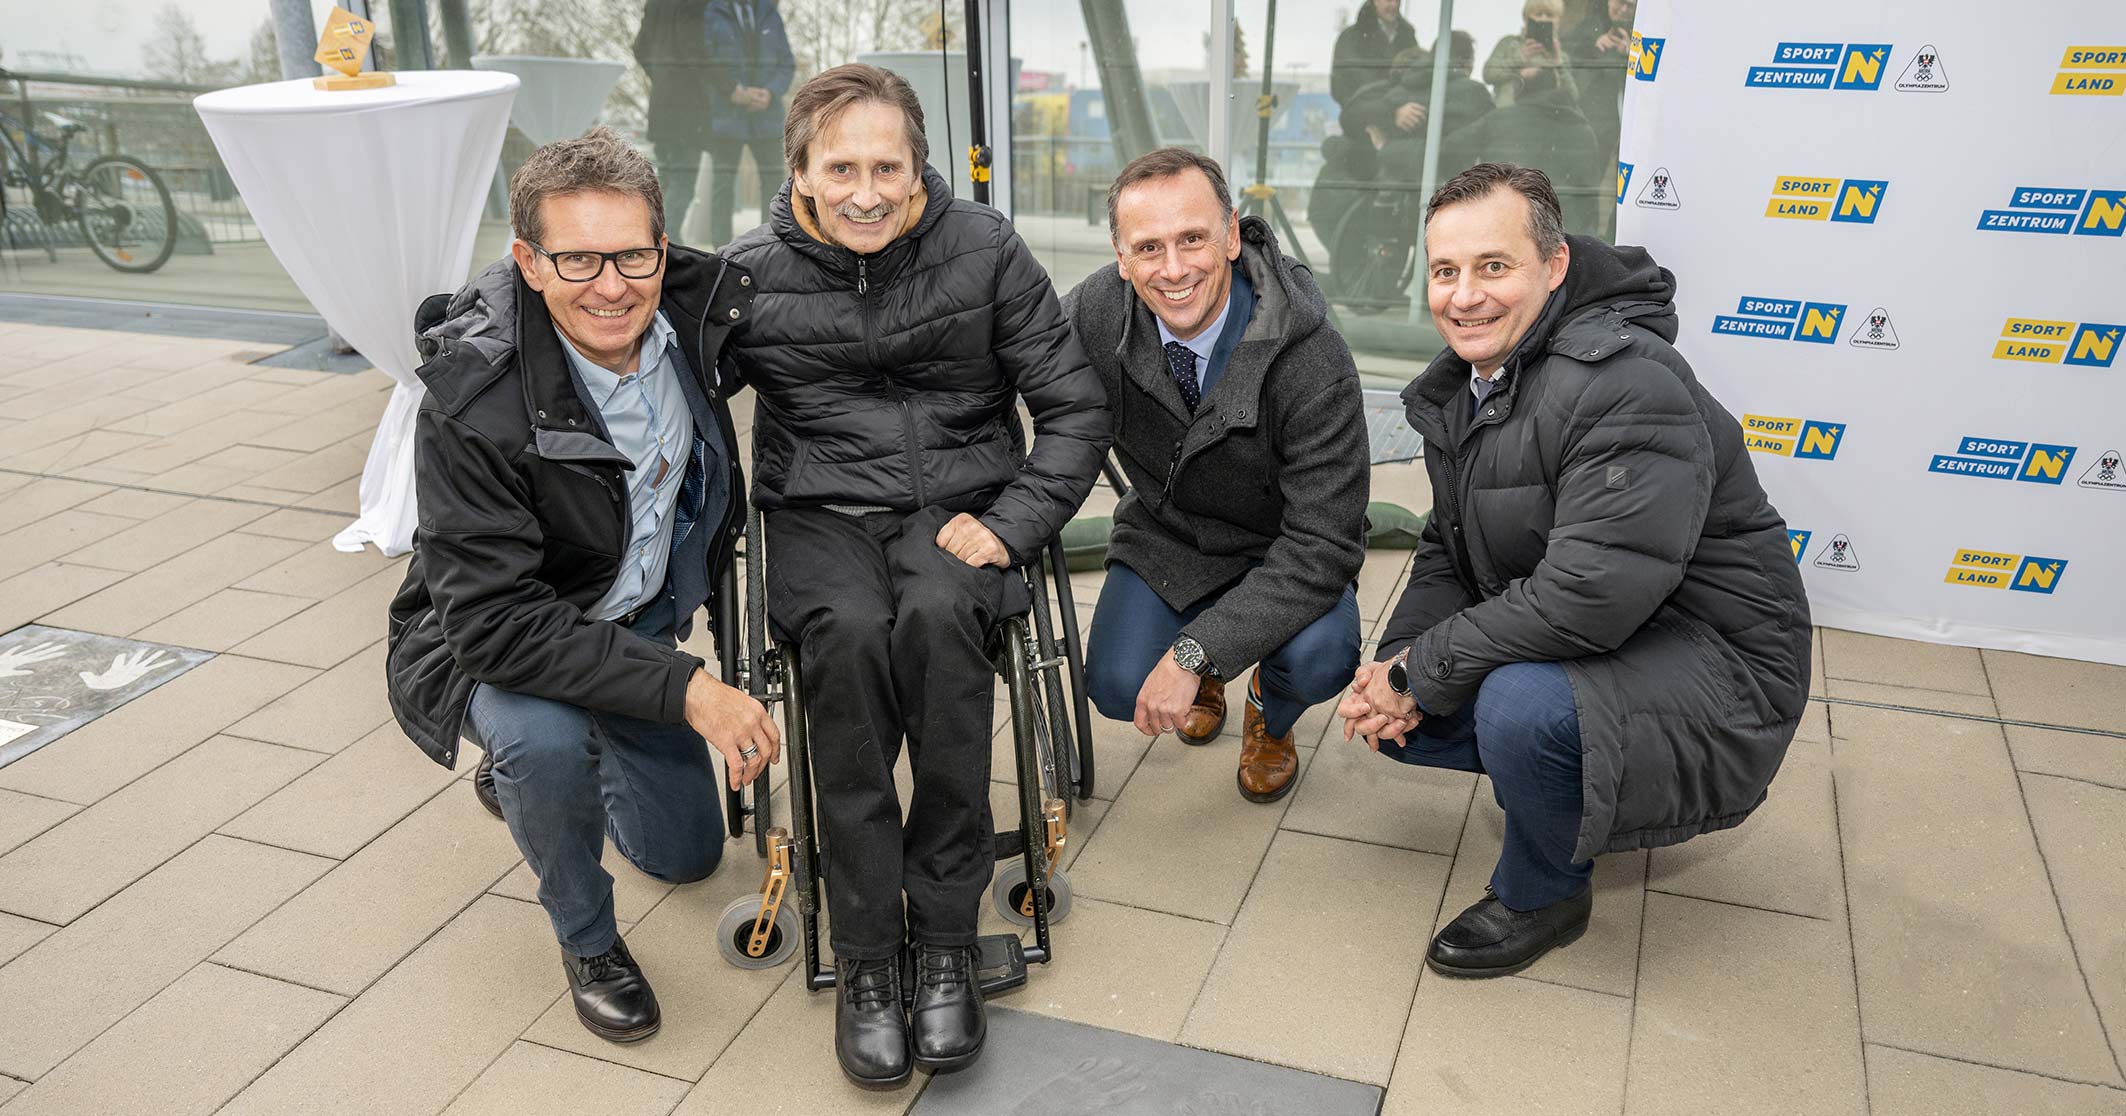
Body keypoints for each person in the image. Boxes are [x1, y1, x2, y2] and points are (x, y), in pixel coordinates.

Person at [719, 63, 1110, 1089]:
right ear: (798, 170)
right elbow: (642, 353)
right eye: (839, 166)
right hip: (818, 515)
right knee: (843, 646)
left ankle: (941, 937)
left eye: (885, 165)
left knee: (940, 624)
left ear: (917, 164)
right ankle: (863, 957)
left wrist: (1014, 521)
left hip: (958, 510)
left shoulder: (982, 247)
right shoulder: (749, 273)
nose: (864, 190)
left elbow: (1073, 408)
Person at [1340, 163, 1810, 978]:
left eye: (1494, 267)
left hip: (1720, 664)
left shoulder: (1625, 385)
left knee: (1519, 707)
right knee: (1417, 717)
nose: (1464, 295)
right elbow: (1447, 545)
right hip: (1620, 628)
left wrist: (1425, 670)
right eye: (1446, 271)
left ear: (1554, 267)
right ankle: (1562, 782)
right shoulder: (1476, 381)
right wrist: (1398, 663)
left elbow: (1590, 595)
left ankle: (1547, 890)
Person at [385, 128, 781, 1043]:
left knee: (685, 857)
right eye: (576, 259)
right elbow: (494, 625)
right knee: (543, 741)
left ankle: (548, 775)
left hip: (629, 628)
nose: (613, 285)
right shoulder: (471, 403)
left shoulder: (695, 322)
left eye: (634, 254)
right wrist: (690, 687)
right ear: (528, 261)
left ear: (662, 244)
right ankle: (588, 938)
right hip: (498, 643)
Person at [1069, 148, 1368, 805]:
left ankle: (1269, 705)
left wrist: (1189, 655)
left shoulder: (1312, 355)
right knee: (1118, 688)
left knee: (1320, 660)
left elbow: (1323, 545)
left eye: (1193, 238)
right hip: (1170, 540)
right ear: (1121, 258)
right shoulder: (1095, 312)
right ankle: (1212, 662)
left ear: (1232, 235)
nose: (1173, 270)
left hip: (1283, 548)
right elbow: (1013, 377)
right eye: (1148, 248)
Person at [700, 0, 794, 246]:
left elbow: (787, 63)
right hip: (727, 115)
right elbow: (705, 60)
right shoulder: (713, 11)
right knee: (723, 185)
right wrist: (732, 90)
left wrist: (770, 92)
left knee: (774, 184)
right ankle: (719, 252)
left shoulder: (768, 14)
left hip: (766, 117)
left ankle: (771, 246)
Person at [634, 0, 714, 239]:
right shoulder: (693, 5)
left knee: (667, 179)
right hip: (686, 106)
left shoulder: (656, 4)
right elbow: (692, 47)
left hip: (661, 103)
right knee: (682, 181)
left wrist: (660, 74)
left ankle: (656, 240)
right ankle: (665, 242)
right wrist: (710, 82)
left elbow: (639, 47)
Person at [1482, 0, 1580, 109]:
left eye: (1550, 15)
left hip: (1545, 118)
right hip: (1508, 116)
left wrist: (1558, 63)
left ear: (1558, 21)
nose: (1543, 19)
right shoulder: (1509, 44)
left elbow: (1572, 97)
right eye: (1538, 14)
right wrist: (1519, 58)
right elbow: (1488, 74)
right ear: (1526, 19)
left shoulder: (1562, 57)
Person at [1330, 0, 1420, 109]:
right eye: (1389, 0)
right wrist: (1364, 121)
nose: (1394, 5)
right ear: (1375, 2)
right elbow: (1341, 89)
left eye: (1398, 0)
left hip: (1404, 120)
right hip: (1362, 119)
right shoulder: (1349, 38)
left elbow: (1416, 79)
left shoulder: (1407, 36)